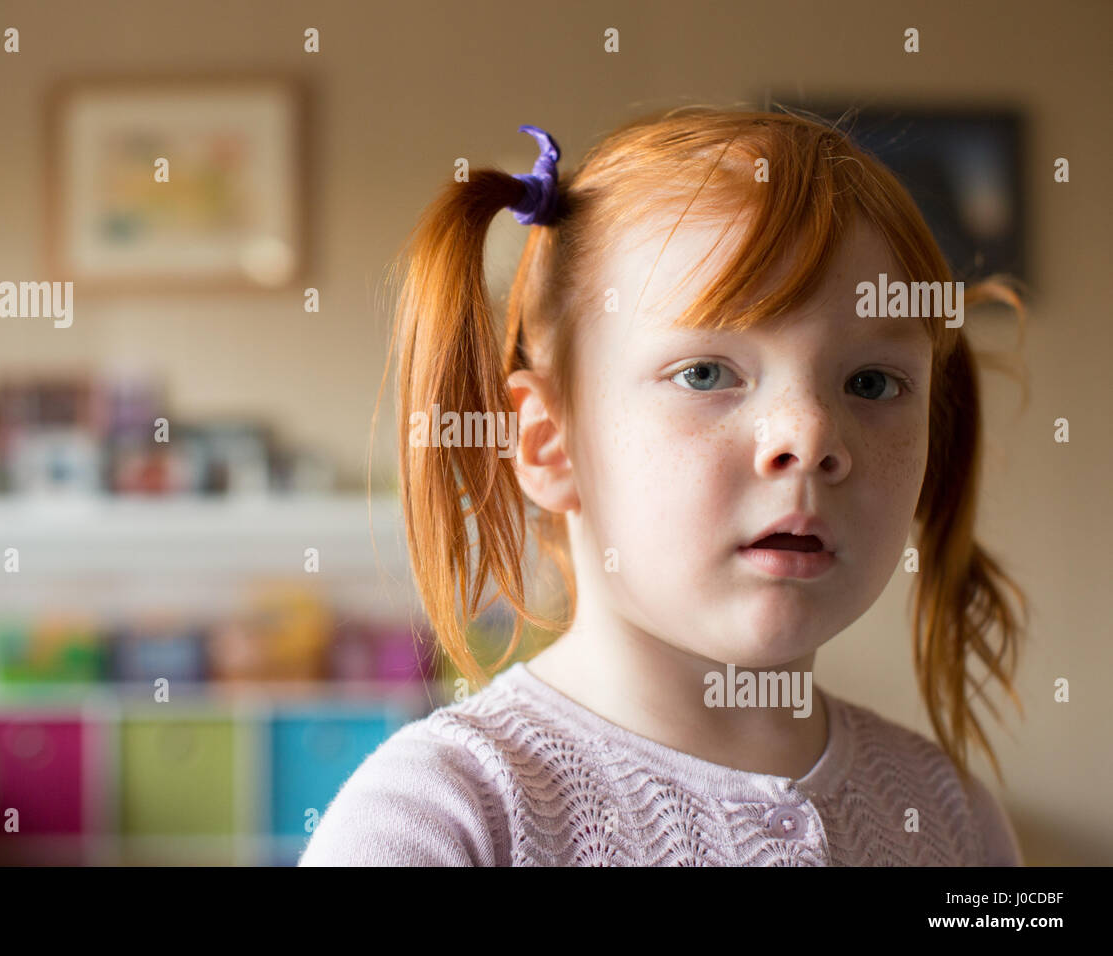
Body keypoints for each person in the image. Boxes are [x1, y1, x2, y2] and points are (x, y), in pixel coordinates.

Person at [300, 106, 1029, 866]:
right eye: (707, 373)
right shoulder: (440, 816)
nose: (811, 439)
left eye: (873, 382)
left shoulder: (953, 816)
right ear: (548, 442)